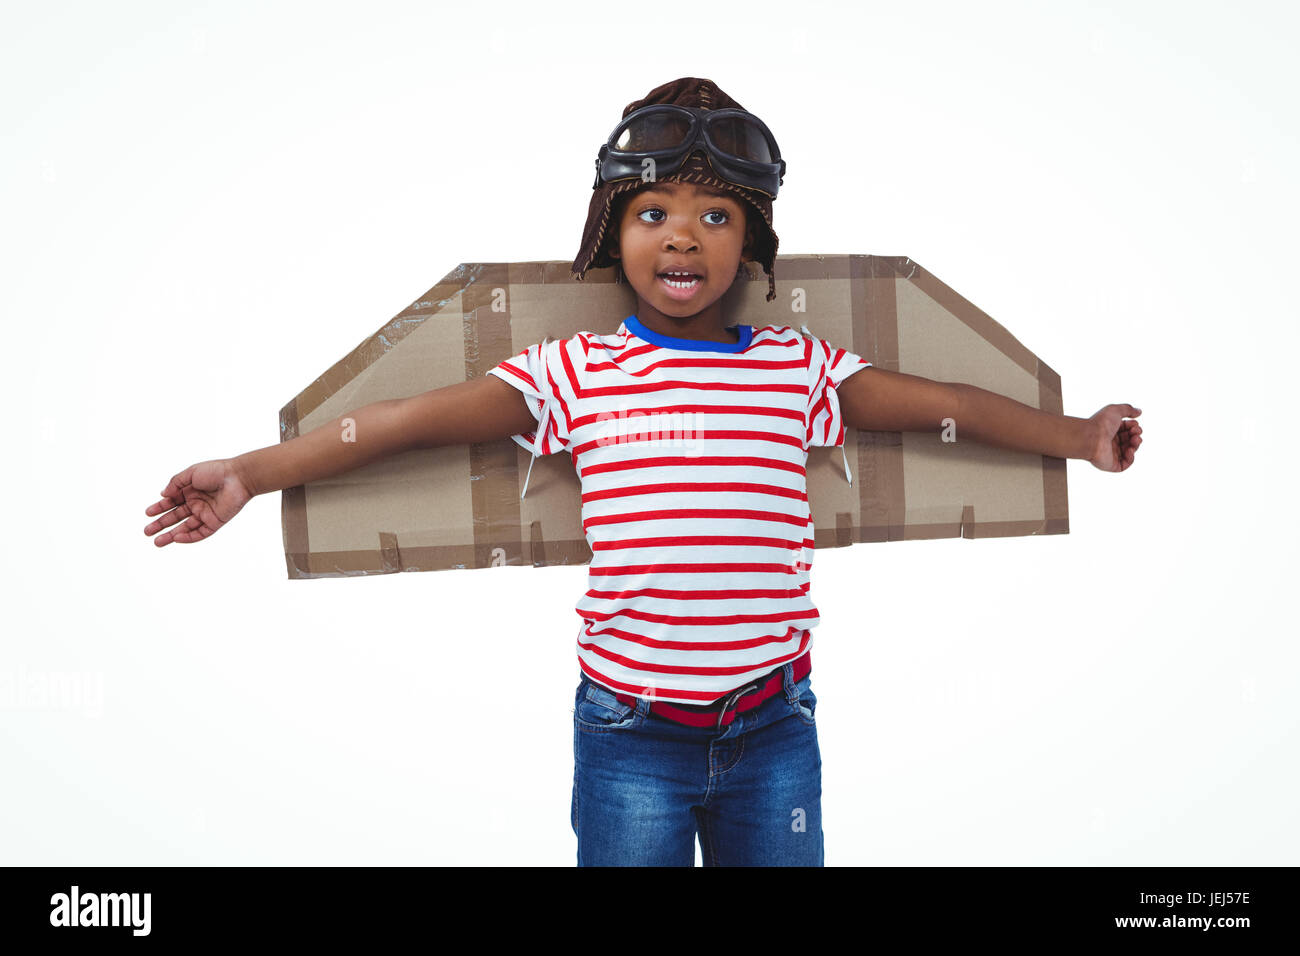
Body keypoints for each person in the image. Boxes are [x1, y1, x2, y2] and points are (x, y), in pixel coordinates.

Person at [142, 77, 1143, 867]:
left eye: (714, 217)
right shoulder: (571, 372)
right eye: (653, 210)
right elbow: (401, 423)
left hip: (773, 725)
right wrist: (249, 469)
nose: (680, 234)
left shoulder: (799, 366)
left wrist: (1079, 435)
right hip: (630, 734)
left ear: (750, 238)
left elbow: (949, 407)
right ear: (611, 233)